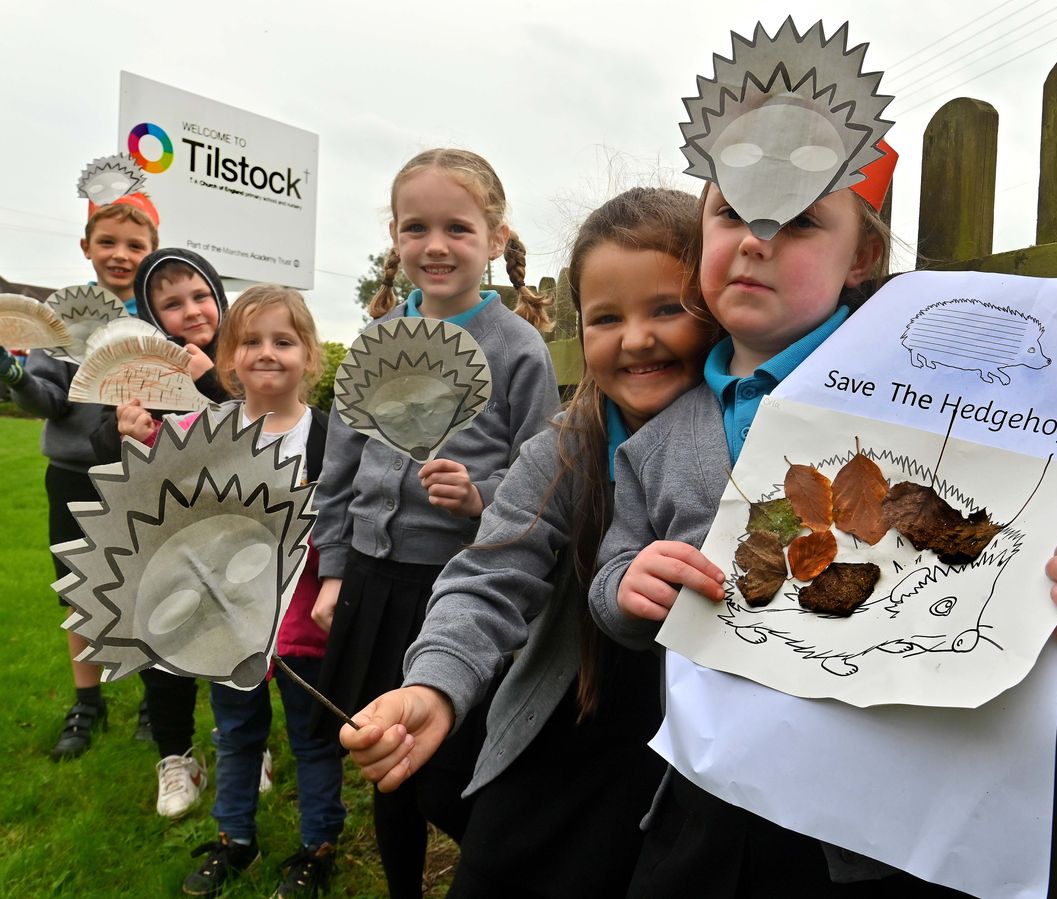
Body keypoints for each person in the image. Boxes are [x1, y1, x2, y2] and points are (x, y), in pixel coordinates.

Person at [582, 154, 1057, 897]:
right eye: (733, 214)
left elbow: (1010, 541)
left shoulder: (934, 395)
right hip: (710, 808)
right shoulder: (655, 440)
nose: (757, 239)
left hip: (878, 832)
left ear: (863, 256)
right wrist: (628, 587)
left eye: (803, 220)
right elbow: (612, 572)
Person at [340, 187, 718, 897]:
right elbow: (490, 569)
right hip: (578, 722)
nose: (635, 338)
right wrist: (435, 680)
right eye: (606, 318)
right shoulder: (569, 448)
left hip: (702, 760)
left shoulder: (751, 433)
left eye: (666, 308)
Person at [311, 148, 560, 897]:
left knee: (445, 765)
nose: (436, 245)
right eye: (416, 228)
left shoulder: (518, 348)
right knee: (384, 757)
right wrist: (329, 570)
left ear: (494, 238)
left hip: (456, 590)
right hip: (369, 580)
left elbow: (543, 473)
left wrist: (481, 496)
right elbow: (340, 468)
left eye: (457, 227)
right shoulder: (375, 339)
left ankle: (497, 867)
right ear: (395, 238)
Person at [119, 285, 344, 898]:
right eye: (250, 341)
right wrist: (136, 433)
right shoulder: (207, 428)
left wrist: (335, 583)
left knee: (314, 738)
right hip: (226, 624)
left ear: (309, 356)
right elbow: (159, 477)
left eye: (283, 340)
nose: (266, 352)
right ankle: (233, 840)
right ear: (228, 359)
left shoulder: (330, 438)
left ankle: (317, 845)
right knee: (237, 733)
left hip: (302, 622)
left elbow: (351, 516)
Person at [0, 197, 158, 759]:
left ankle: (153, 697)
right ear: (86, 248)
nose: (120, 255)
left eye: (135, 246)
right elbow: (46, 401)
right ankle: (87, 701)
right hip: (70, 475)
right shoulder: (61, 320)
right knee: (79, 591)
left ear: (151, 252)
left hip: (138, 473)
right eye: (108, 242)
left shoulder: (156, 318)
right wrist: (16, 374)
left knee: (142, 587)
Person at [98, 247, 234, 818]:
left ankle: (240, 748)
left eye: (201, 296)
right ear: (153, 318)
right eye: (171, 304)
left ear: (219, 300)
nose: (192, 311)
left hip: (233, 538)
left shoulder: (242, 359)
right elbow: (106, 466)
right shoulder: (142, 378)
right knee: (164, 649)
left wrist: (215, 387)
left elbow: (265, 434)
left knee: (234, 645)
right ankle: (177, 757)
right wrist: (123, 436)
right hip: (165, 541)